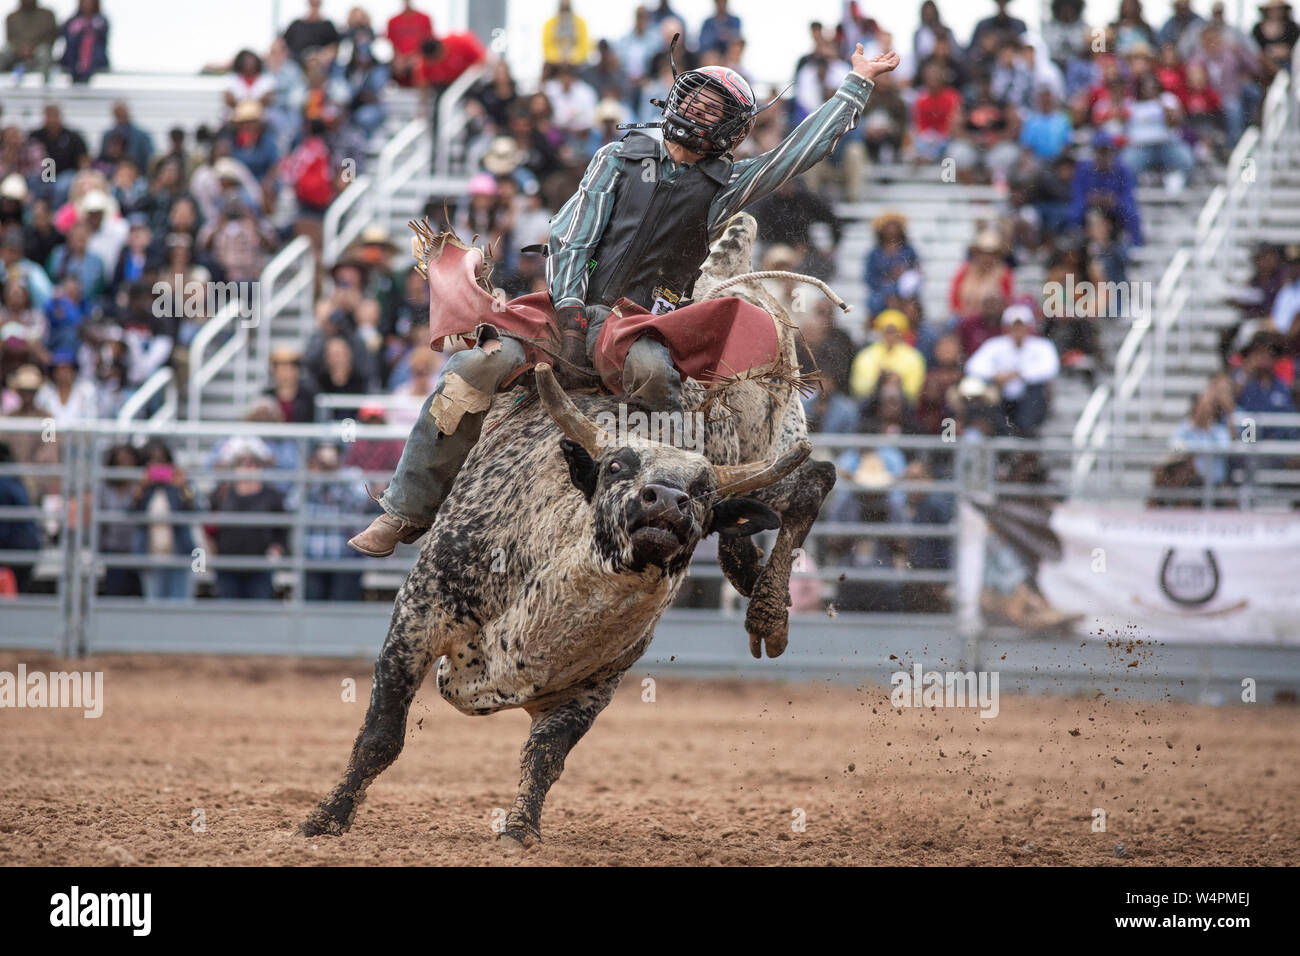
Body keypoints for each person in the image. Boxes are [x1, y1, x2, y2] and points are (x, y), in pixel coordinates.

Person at [348, 43, 902, 556]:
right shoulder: (618, 156)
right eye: (699, 101)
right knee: (472, 365)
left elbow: (796, 154)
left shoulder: (727, 183)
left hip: (642, 323)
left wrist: (855, 84)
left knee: (656, 376)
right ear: (678, 97)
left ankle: (674, 500)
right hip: (566, 310)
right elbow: (573, 236)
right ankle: (406, 509)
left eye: (716, 110)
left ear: (730, 129)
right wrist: (568, 310)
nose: (702, 114)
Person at [964, 304, 1061, 436]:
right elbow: (973, 366)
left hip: (1029, 399)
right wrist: (995, 375)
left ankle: (1026, 432)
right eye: (1014, 326)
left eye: (1021, 325)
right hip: (1002, 397)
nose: (1018, 330)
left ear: (1028, 327)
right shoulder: (995, 345)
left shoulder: (1041, 346)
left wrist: (1019, 374)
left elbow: (1050, 368)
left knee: (1036, 391)